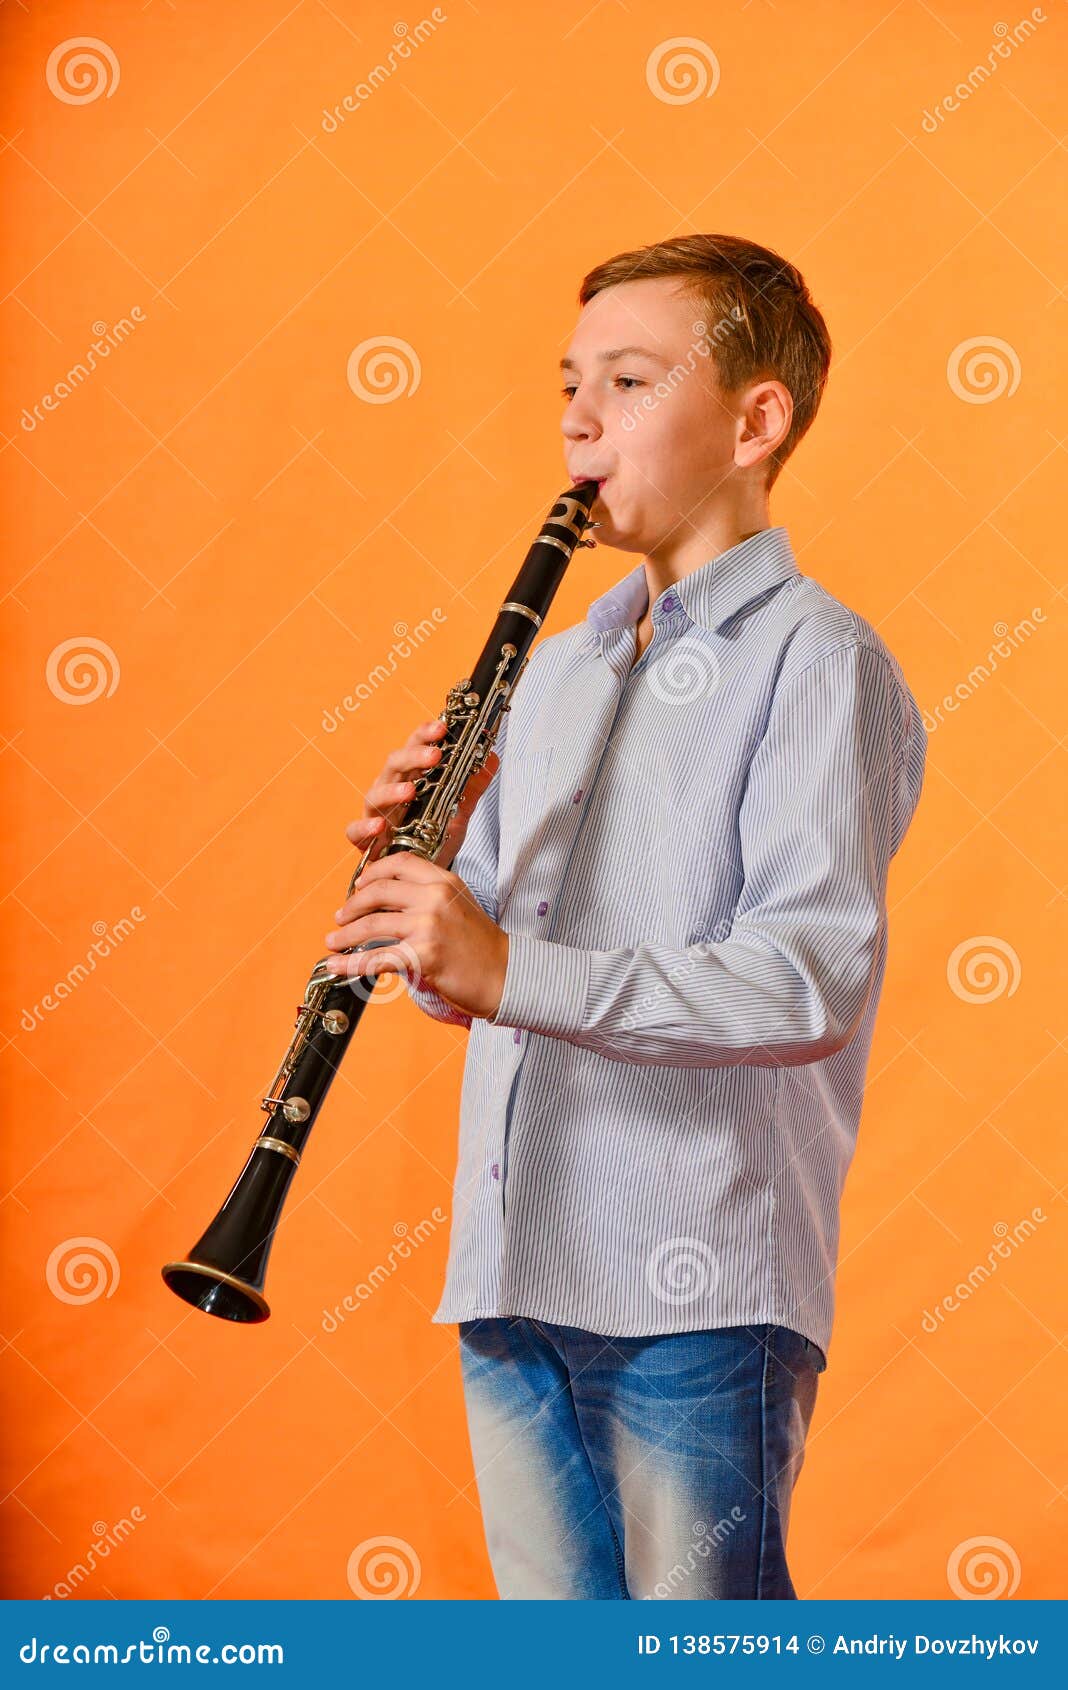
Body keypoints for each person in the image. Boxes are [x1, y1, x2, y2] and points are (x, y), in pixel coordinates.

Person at [324, 233, 927, 1600]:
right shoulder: (554, 669)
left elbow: (804, 979)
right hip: (508, 1269)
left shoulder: (817, 658)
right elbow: (486, 974)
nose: (578, 420)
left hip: (692, 1290)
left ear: (755, 424)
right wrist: (433, 902)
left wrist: (504, 962)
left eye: (631, 381)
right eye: (569, 384)